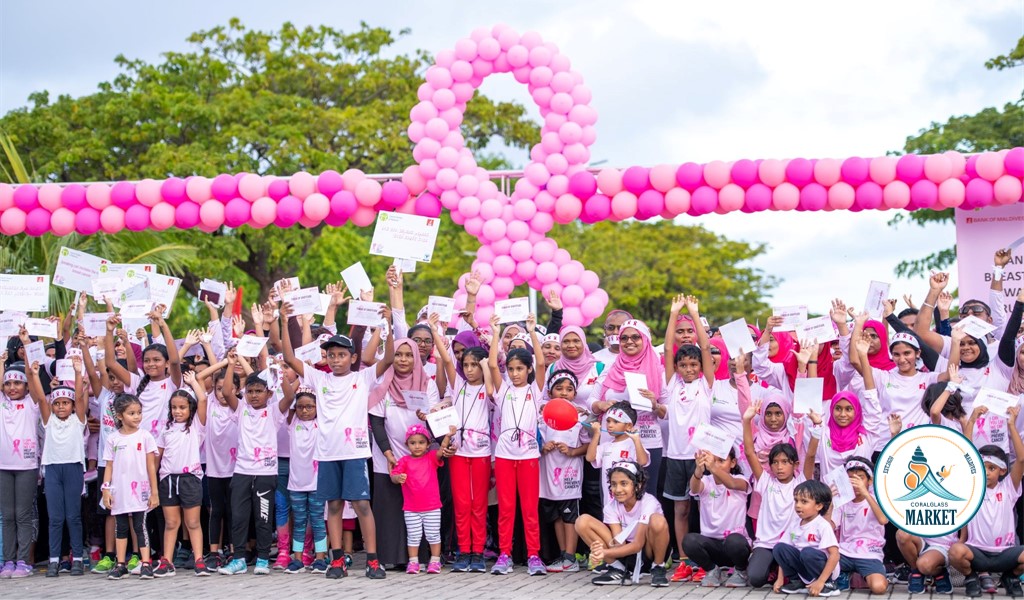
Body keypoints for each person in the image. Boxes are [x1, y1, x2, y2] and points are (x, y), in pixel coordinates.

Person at [281, 300, 395, 579]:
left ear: (352, 358)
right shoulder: (319, 379)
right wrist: (284, 322)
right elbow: (289, 357)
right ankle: (336, 561)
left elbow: (388, 359)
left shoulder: (363, 377)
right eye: (331, 355)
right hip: (328, 454)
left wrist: (388, 327)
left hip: (355, 453)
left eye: (341, 355)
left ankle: (372, 560)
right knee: (332, 506)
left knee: (361, 505)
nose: (335, 359)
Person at [486, 313, 547, 576]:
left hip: (529, 456)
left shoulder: (535, 391)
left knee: (529, 508)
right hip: (504, 456)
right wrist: (496, 332)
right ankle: (504, 555)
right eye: (511, 369)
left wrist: (532, 331)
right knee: (506, 508)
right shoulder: (503, 390)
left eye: (520, 369)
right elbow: (491, 364)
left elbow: (543, 363)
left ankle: (534, 555)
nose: (514, 373)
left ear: (528, 369)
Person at [660, 296, 715, 583]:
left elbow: (705, 346)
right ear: (678, 367)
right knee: (680, 510)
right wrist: (673, 314)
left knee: (703, 510)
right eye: (685, 365)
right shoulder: (671, 385)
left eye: (695, 364)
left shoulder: (706, 385)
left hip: (702, 458)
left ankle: (705, 562)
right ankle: (683, 562)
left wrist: (693, 313)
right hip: (676, 457)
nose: (690, 369)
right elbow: (669, 347)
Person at [217, 372, 289, 576]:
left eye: (259, 391)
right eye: (250, 391)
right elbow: (226, 391)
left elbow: (290, 397)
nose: (254, 395)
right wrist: (230, 364)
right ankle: (238, 559)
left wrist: (279, 373)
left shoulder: (274, 411)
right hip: (241, 472)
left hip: (266, 473)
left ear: (268, 393)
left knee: (263, 518)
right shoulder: (241, 410)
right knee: (239, 517)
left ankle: (263, 559)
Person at [949, 405, 1024, 598]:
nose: (986, 472)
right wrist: (972, 420)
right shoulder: (972, 486)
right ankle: (971, 577)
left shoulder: (1009, 488)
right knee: (956, 551)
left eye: (992, 468)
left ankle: (1010, 577)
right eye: (983, 466)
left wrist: (1012, 425)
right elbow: (966, 452)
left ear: (1002, 471)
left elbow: (1021, 460)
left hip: (1005, 553)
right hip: (977, 553)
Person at [743, 398, 812, 589]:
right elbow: (749, 452)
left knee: (794, 567)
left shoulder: (801, 483)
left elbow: (811, 456)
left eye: (785, 462)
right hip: (766, 543)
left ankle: (782, 570)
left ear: (795, 465)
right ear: (770, 465)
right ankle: (770, 564)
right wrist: (746, 421)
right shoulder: (765, 481)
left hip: (791, 544)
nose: (780, 467)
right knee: (755, 579)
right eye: (775, 463)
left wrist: (817, 427)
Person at [28, 357, 87, 577]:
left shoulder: (77, 420)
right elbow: (41, 399)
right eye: (58, 403)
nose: (61, 406)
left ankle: (78, 559)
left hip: (72, 468)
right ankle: (54, 560)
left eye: (66, 403)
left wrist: (78, 373)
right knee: (55, 517)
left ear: (72, 406)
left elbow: (80, 396)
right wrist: (34, 375)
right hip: (52, 469)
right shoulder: (48, 421)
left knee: (73, 516)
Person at [574, 460, 670, 587]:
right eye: (613, 484)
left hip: (647, 552)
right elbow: (619, 542)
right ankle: (618, 569)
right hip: (626, 552)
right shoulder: (610, 507)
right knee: (582, 521)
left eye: (624, 483)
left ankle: (658, 568)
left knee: (658, 520)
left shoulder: (649, 502)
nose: (618, 489)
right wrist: (599, 550)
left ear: (638, 485)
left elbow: (638, 544)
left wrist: (604, 553)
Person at [439, 344, 491, 573]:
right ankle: (464, 550)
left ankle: (478, 552)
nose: (469, 370)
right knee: (461, 504)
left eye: (474, 365)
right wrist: (434, 329)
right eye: (466, 365)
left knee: (478, 504)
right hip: (459, 452)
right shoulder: (458, 386)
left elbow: (491, 389)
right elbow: (448, 361)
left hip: (481, 452)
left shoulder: (491, 389)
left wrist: (486, 365)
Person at [152, 371, 208, 577]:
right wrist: (153, 483)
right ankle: (167, 561)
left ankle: (199, 559)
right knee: (171, 523)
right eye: (174, 407)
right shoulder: (165, 429)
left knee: (192, 522)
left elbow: (202, 399)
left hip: (190, 479)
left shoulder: (196, 428)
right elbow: (157, 457)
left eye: (182, 407)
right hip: (168, 479)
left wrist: (193, 381)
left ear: (190, 408)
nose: (177, 411)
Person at [101, 394, 160, 580]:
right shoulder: (113, 439)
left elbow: (151, 466)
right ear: (119, 416)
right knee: (121, 527)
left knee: (140, 526)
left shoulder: (146, 436)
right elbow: (109, 465)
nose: (137, 417)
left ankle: (145, 563)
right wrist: (106, 489)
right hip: (120, 490)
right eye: (131, 413)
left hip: (141, 491)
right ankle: (120, 564)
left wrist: (154, 492)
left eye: (139, 412)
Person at [390, 423, 455, 574]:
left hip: (432, 507)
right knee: (413, 536)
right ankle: (413, 562)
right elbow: (393, 475)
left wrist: (448, 436)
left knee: (433, 535)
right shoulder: (404, 461)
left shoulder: (431, 457)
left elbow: (440, 452)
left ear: (428, 444)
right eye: (413, 443)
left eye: (421, 442)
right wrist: (397, 477)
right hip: (411, 508)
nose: (417, 446)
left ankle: (435, 561)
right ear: (407, 445)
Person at [683, 448, 752, 588]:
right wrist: (698, 470)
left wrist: (713, 467)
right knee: (689, 541)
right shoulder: (706, 481)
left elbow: (731, 484)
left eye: (721, 460)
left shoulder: (740, 479)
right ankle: (712, 570)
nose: (716, 464)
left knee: (735, 541)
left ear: (733, 463)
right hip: (712, 544)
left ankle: (740, 571)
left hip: (734, 544)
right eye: (713, 461)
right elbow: (695, 489)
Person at [539, 370, 586, 573]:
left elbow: (589, 444)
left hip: (570, 477)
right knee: (556, 516)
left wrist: (573, 451)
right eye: (559, 388)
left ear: (575, 393)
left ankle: (571, 556)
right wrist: (543, 447)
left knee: (569, 516)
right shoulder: (542, 416)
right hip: (548, 477)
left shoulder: (579, 416)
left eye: (569, 389)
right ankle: (562, 554)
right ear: (550, 392)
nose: (564, 393)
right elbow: (535, 443)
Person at [282, 385, 328, 574]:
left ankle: (320, 558)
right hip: (296, 484)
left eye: (310, 407)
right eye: (300, 407)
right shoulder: (292, 423)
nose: (305, 410)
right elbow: (289, 397)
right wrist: (299, 379)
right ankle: (298, 559)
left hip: (317, 483)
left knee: (317, 521)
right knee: (299, 521)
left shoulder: (323, 424)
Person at [0, 357, 39, 579]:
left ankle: (23, 560)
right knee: (7, 515)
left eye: (17, 383)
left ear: (25, 385)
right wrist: (1, 362)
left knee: (23, 515)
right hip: (3, 467)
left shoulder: (31, 404)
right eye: (8, 383)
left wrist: (31, 370)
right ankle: (8, 561)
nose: (12, 387)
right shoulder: (2, 402)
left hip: (26, 466)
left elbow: (37, 392)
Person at [772, 480, 841, 597]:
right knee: (779, 548)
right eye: (796, 500)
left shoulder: (822, 525)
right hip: (804, 566)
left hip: (824, 570)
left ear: (819, 506)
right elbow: (784, 551)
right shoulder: (794, 524)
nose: (798, 505)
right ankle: (798, 582)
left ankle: (829, 585)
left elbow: (835, 555)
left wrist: (821, 581)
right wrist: (780, 579)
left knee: (807, 552)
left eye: (804, 501)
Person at [835, 457, 890, 595]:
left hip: (870, 552)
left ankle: (874, 574)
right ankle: (843, 573)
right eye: (851, 479)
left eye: (860, 478)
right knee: (816, 558)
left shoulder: (877, 498)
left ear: (869, 480)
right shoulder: (842, 499)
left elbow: (883, 519)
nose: (855, 483)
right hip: (844, 552)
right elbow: (830, 526)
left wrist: (865, 493)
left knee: (879, 587)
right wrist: (830, 503)